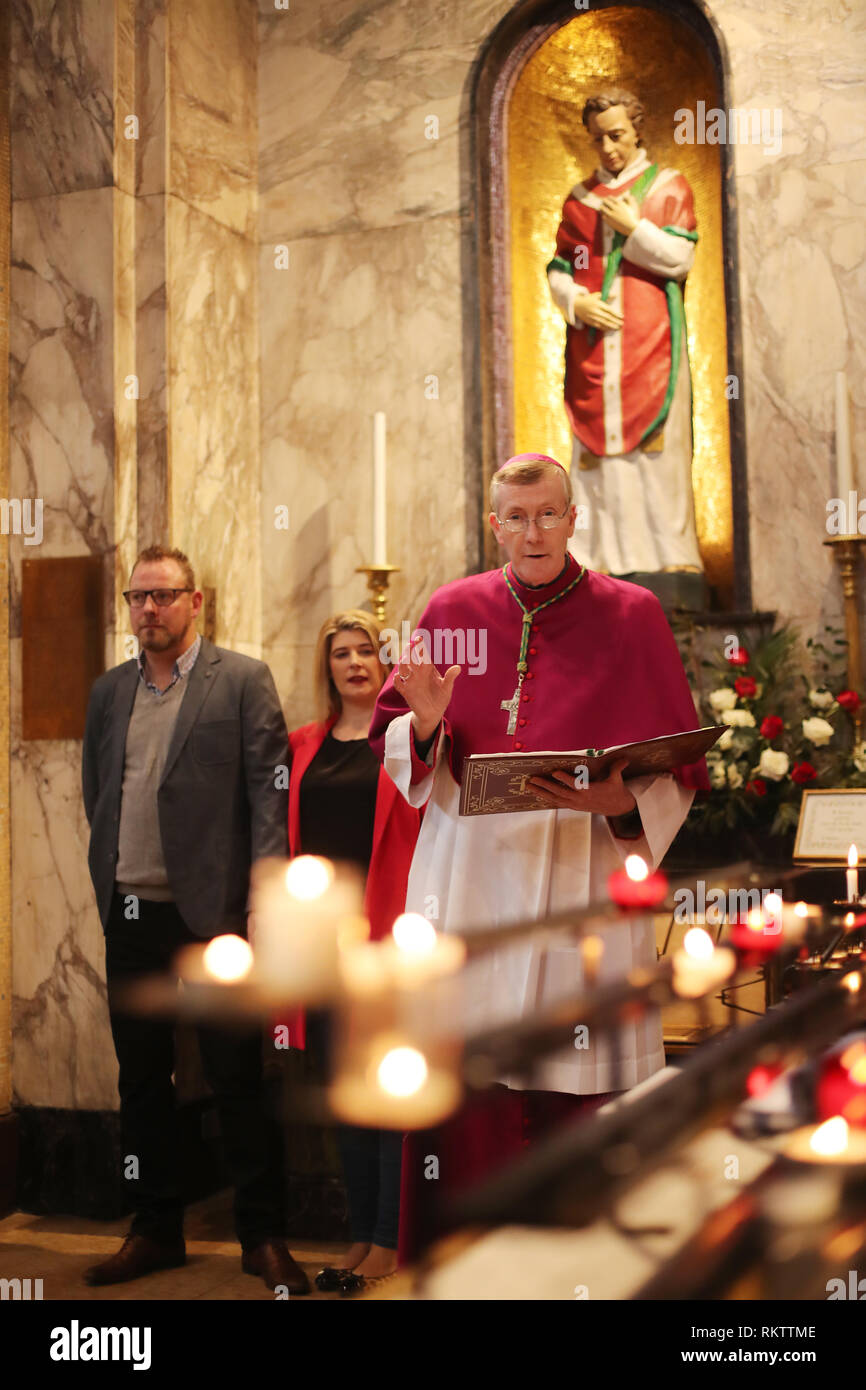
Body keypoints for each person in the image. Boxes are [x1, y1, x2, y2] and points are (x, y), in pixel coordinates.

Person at [369, 453, 709, 1259]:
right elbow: (403, 755)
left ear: (573, 516)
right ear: (495, 525)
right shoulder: (452, 609)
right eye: (516, 518)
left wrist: (620, 805)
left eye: (548, 514)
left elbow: (676, 769)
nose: (533, 531)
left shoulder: (632, 615)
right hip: (472, 876)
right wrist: (422, 725)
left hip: (580, 870)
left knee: (581, 1060)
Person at [81, 545, 308, 1294]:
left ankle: (261, 1234)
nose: (149, 609)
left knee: (237, 1075)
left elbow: (268, 795)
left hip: (214, 918)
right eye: (137, 597)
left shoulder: (240, 681)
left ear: (196, 601)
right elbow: (98, 791)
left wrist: (260, 901)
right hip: (131, 912)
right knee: (141, 1080)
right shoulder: (110, 692)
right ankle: (154, 1230)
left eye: (164, 596)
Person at [287, 611, 420, 1293]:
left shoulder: (402, 740)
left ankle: (393, 1240)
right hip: (325, 946)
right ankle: (360, 1233)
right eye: (342, 652)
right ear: (328, 666)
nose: (356, 662)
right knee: (347, 1096)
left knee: (389, 1092)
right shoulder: (302, 744)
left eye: (368, 650)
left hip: (389, 937)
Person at [546, 88, 703, 582]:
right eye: (599, 139)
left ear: (637, 129)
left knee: (656, 453)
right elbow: (560, 267)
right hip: (594, 349)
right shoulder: (580, 201)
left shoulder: (667, 187)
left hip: (650, 343)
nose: (609, 147)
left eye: (617, 135)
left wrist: (634, 229)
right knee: (597, 462)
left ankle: (668, 556)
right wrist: (576, 301)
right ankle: (599, 562)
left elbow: (679, 259)